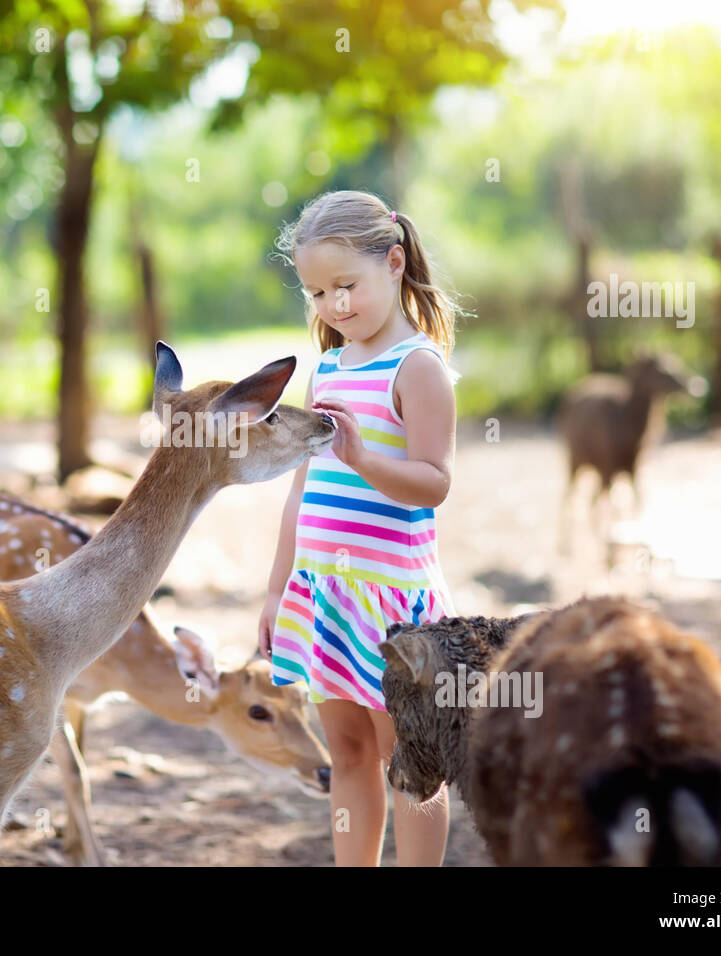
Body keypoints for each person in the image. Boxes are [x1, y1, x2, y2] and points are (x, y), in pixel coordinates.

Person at [259, 189, 461, 866]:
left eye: (347, 286)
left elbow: (434, 482)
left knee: (409, 761)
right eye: (317, 293)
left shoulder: (418, 368)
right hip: (326, 596)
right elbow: (302, 489)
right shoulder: (327, 369)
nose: (334, 306)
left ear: (395, 262)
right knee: (347, 753)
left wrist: (365, 458)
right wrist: (277, 589)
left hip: (391, 605)